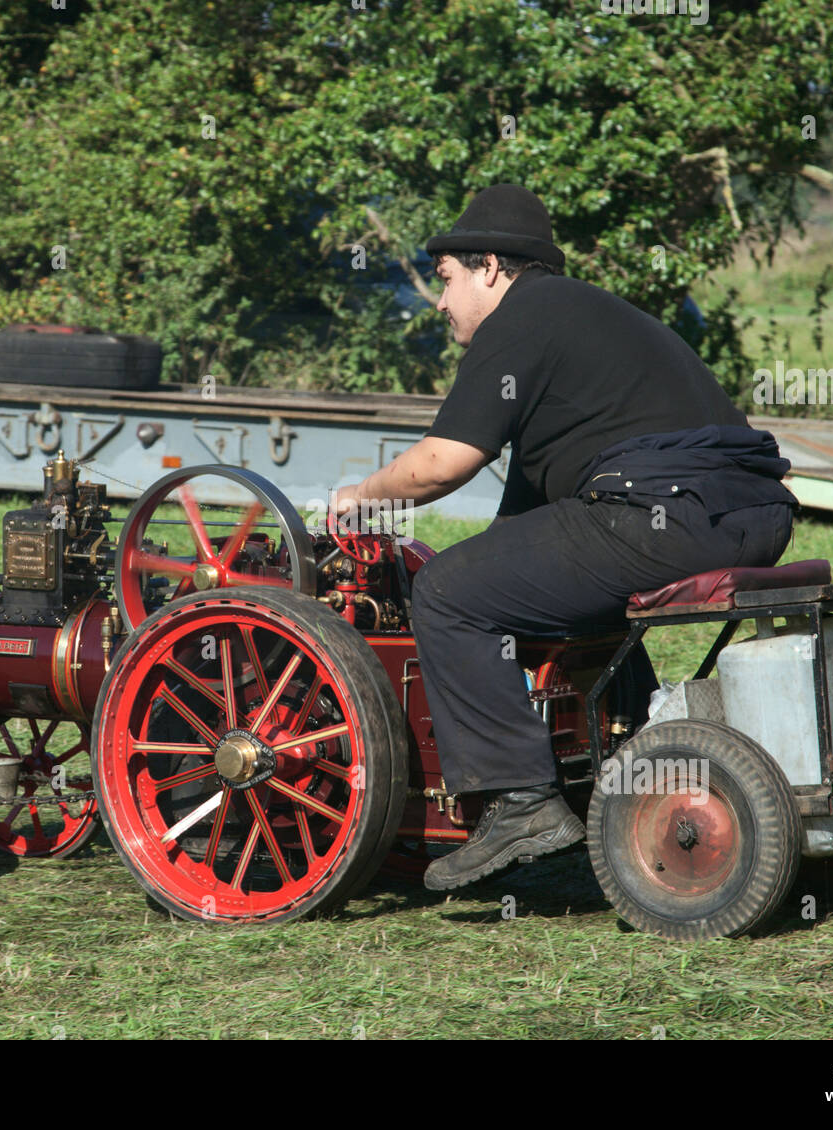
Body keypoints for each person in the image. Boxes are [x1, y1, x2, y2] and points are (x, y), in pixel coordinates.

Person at [329, 184, 799, 892]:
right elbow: (521, 528)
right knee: (508, 582)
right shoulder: (584, 316)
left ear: (491, 267)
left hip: (659, 512)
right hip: (753, 513)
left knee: (450, 592)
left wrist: (357, 498)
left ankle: (519, 803)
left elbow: (441, 464)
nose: (440, 300)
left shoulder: (519, 318)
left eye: (448, 278)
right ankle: (622, 768)